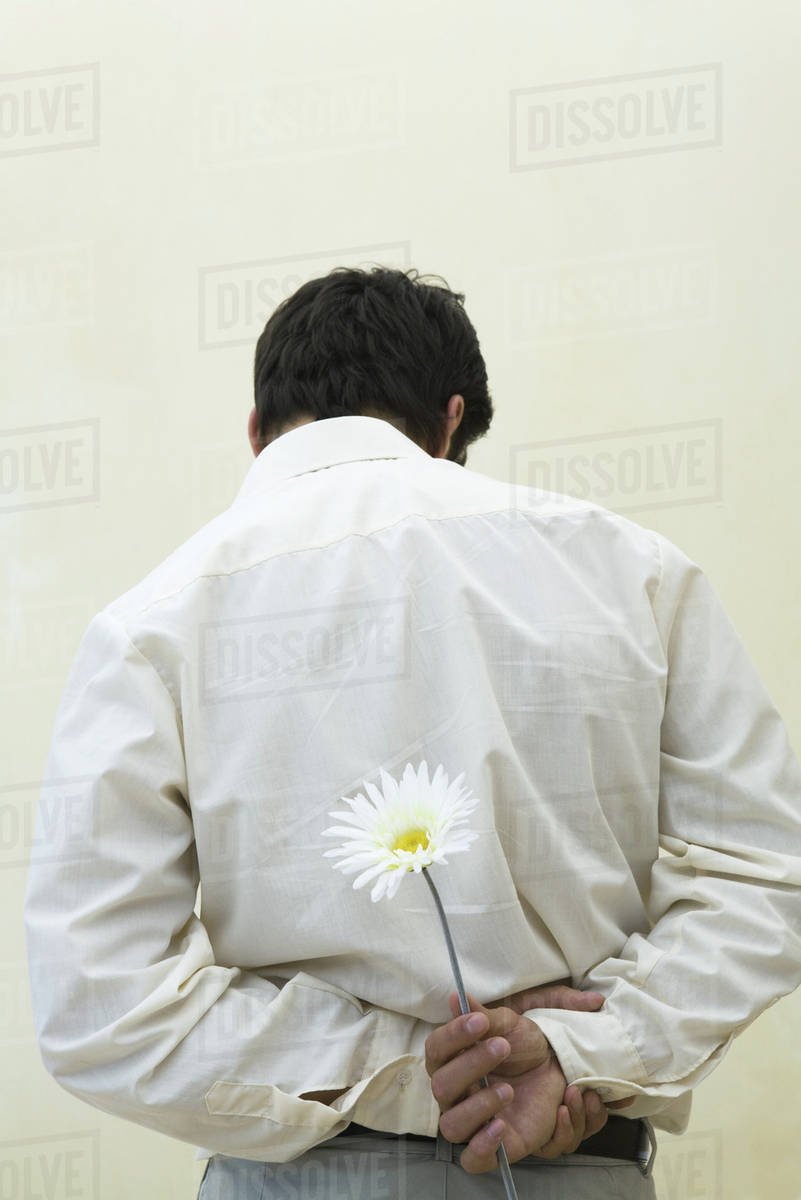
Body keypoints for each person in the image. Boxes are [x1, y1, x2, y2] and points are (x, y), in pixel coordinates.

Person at [23, 266, 801, 1200]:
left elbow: (101, 1007)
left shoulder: (149, 625)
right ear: (450, 421)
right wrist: (575, 1050)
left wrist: (411, 1072)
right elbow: (767, 874)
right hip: (578, 1167)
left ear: (257, 430)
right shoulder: (634, 572)